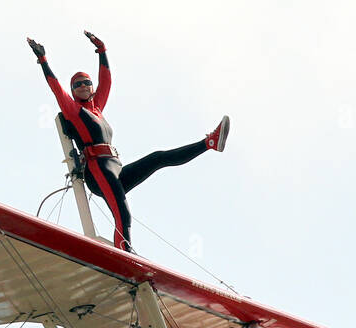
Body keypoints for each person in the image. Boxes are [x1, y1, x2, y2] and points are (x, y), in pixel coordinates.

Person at [27, 31, 229, 252]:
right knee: (123, 214)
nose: (83, 86)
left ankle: (210, 142)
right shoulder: (74, 111)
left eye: (87, 82)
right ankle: (125, 255)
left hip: (115, 168)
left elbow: (107, 81)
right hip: (97, 170)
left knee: (158, 158)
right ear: (73, 91)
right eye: (78, 85)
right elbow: (56, 89)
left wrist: (102, 51)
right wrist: (43, 61)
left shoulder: (97, 109)